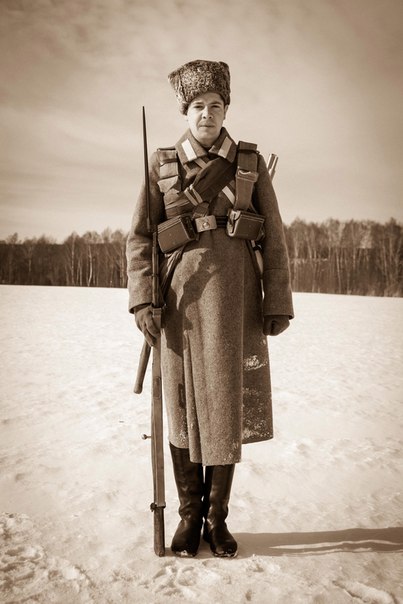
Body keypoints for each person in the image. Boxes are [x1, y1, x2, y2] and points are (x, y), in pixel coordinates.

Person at [126, 59, 293, 558]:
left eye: (215, 105)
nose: (206, 114)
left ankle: (217, 519)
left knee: (225, 407)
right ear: (186, 111)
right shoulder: (162, 164)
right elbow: (140, 238)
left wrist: (277, 301)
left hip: (237, 302)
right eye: (197, 105)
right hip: (178, 303)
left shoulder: (249, 163)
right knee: (180, 408)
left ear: (225, 109)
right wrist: (143, 300)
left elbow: (275, 237)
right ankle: (188, 516)